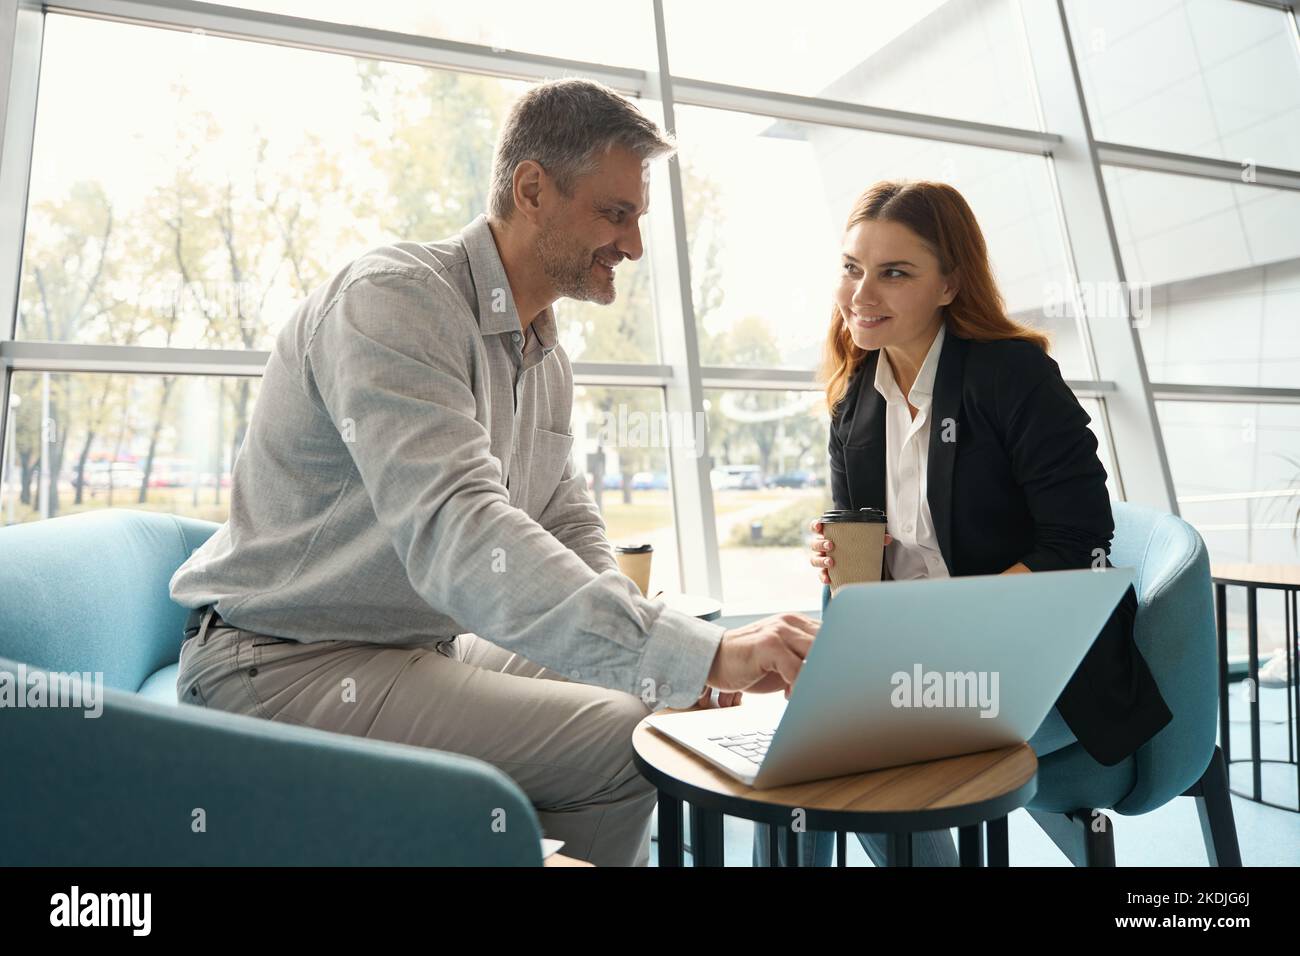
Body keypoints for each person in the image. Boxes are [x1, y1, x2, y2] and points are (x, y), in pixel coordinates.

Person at [171, 77, 817, 868]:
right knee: (632, 743)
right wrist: (700, 653)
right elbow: (463, 534)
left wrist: (661, 658)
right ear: (533, 188)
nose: (635, 245)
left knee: (652, 696)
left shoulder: (545, 353)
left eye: (638, 218)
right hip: (282, 663)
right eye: (617, 214)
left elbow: (563, 516)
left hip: (411, 647)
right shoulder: (395, 301)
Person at [753, 180, 1173, 867]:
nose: (861, 294)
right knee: (794, 762)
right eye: (853, 268)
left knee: (872, 768)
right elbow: (860, 540)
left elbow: (1079, 542)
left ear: (949, 284)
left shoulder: (1014, 377)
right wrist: (844, 558)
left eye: (894, 273)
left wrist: (951, 629)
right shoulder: (857, 399)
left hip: (1036, 658)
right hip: (913, 661)